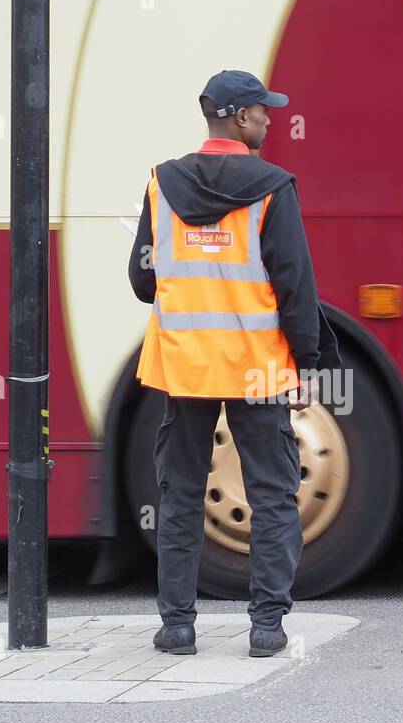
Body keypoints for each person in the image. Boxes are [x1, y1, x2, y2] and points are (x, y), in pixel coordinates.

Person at [127, 69, 340, 658]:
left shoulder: (161, 184)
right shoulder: (274, 186)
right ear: (241, 119)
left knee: (182, 495)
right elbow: (295, 286)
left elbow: (143, 280)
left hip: (186, 365)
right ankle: (266, 627)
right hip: (258, 366)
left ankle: (177, 627)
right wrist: (308, 364)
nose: (270, 120)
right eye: (263, 112)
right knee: (272, 495)